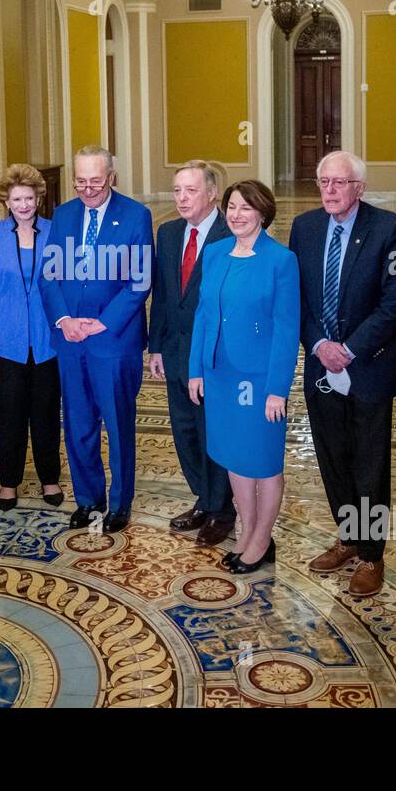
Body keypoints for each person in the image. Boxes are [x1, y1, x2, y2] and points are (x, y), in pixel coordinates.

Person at [289, 150, 396, 596]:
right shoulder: (304, 228)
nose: (329, 191)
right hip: (321, 364)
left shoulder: (388, 229)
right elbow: (296, 296)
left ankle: (372, 555)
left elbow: (394, 303)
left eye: (339, 183)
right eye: (323, 182)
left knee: (369, 465)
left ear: (359, 188)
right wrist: (321, 346)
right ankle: (348, 536)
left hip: (371, 366)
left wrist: (350, 350)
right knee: (332, 457)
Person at [38, 145, 153, 533]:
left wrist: (103, 323)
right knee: (78, 423)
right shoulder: (64, 214)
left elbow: (139, 283)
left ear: (112, 178)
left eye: (96, 181)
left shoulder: (136, 215)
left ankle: (120, 503)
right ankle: (88, 500)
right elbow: (48, 276)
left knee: (118, 425)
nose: (87, 189)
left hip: (114, 341)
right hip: (71, 340)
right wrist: (64, 319)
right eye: (80, 181)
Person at [188, 180, 299, 573]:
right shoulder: (216, 253)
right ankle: (250, 532)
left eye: (245, 208)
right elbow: (203, 314)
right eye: (232, 207)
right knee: (235, 457)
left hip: (258, 379)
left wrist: (276, 391)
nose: (236, 215)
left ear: (262, 213)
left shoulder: (280, 261)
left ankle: (262, 538)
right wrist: (196, 369)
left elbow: (287, 329)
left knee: (264, 462)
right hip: (219, 375)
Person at [149, 160, 236, 546]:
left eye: (191, 191)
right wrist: (155, 348)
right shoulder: (167, 234)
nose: (182, 198)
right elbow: (164, 297)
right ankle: (204, 498)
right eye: (177, 191)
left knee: (213, 432)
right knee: (184, 431)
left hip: (215, 356)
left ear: (212, 193)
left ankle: (222, 510)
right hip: (175, 351)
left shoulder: (230, 233)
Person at [0, 164, 63, 510]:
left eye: (29, 198)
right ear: (6, 201)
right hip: (8, 340)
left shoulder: (55, 232)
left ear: (38, 198)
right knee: (10, 414)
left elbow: (64, 284)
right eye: (17, 199)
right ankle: (9, 482)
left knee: (46, 412)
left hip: (48, 341)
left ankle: (49, 478)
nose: (24, 205)